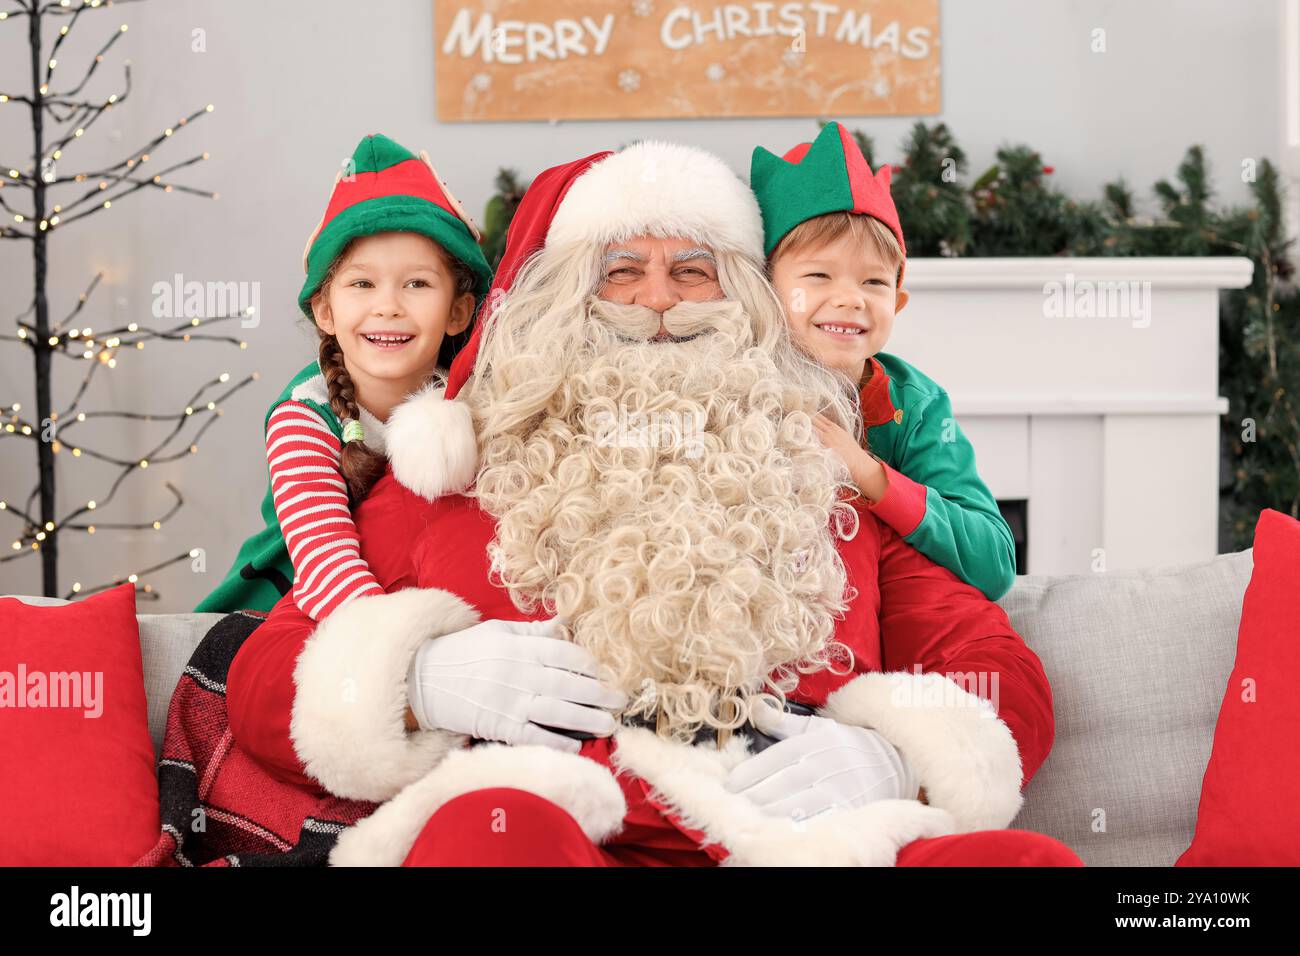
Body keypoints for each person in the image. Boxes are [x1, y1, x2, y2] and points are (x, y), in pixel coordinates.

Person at [224, 142, 1081, 867]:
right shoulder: (461, 480)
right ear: (561, 305)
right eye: (622, 273)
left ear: (744, 301)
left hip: (795, 842)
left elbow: (995, 670)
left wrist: (894, 757)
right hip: (563, 832)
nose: (661, 300)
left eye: (693, 271)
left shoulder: (827, 480)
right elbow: (266, 679)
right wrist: (416, 680)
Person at [194, 133, 491, 619]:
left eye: (417, 283)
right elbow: (326, 571)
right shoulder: (303, 420)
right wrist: (407, 653)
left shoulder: (476, 403)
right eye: (362, 284)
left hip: (429, 601)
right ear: (326, 311)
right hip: (301, 613)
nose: (388, 306)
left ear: (458, 311)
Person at [750, 121, 1017, 600]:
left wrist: (868, 473)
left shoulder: (916, 407)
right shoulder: (735, 389)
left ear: (897, 303)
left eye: (873, 283)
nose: (850, 299)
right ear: (766, 292)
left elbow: (994, 563)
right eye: (818, 275)